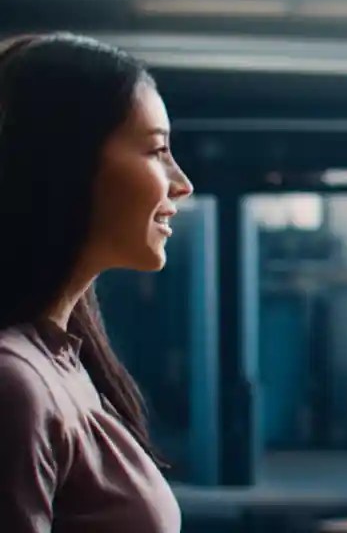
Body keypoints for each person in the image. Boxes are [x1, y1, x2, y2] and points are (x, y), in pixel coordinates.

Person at [0, 32, 194, 532]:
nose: (181, 182)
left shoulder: (62, 362)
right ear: (67, 162)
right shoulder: (14, 384)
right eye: (156, 151)